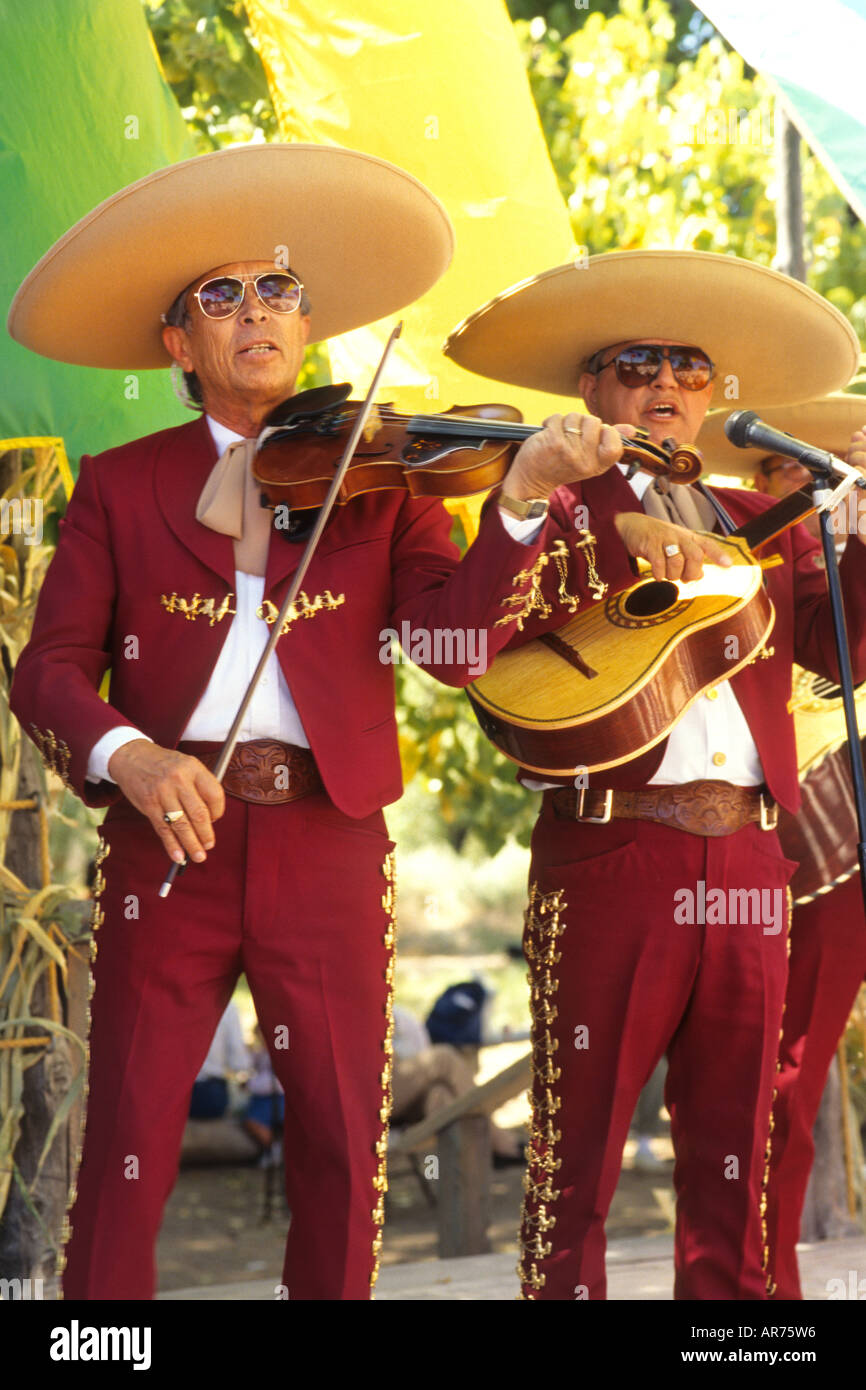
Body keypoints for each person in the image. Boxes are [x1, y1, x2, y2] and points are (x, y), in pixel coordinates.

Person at [7, 143, 624, 1301]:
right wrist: (130, 754)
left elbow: (450, 648)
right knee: (123, 1159)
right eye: (222, 294)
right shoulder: (120, 484)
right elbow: (46, 673)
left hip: (329, 837)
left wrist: (523, 500)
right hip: (170, 839)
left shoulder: (381, 477)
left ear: (307, 326)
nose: (260, 311)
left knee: (344, 1149)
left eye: (279, 290)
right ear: (177, 346)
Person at [444, 249, 866, 1299]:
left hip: (748, 855)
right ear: (590, 387)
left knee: (743, 1152)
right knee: (574, 1157)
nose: (666, 387)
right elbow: (464, 646)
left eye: (688, 368)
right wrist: (545, 502)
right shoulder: (544, 495)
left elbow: (835, 640)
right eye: (638, 364)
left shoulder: (746, 509)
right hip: (610, 849)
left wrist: (857, 538)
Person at [701, 393, 866, 1297]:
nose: (807, 481)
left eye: (822, 466)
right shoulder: (748, 537)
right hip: (793, 839)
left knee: (785, 1088)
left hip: (848, 835)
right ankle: (762, 1298)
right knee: (774, 1086)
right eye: (781, 468)